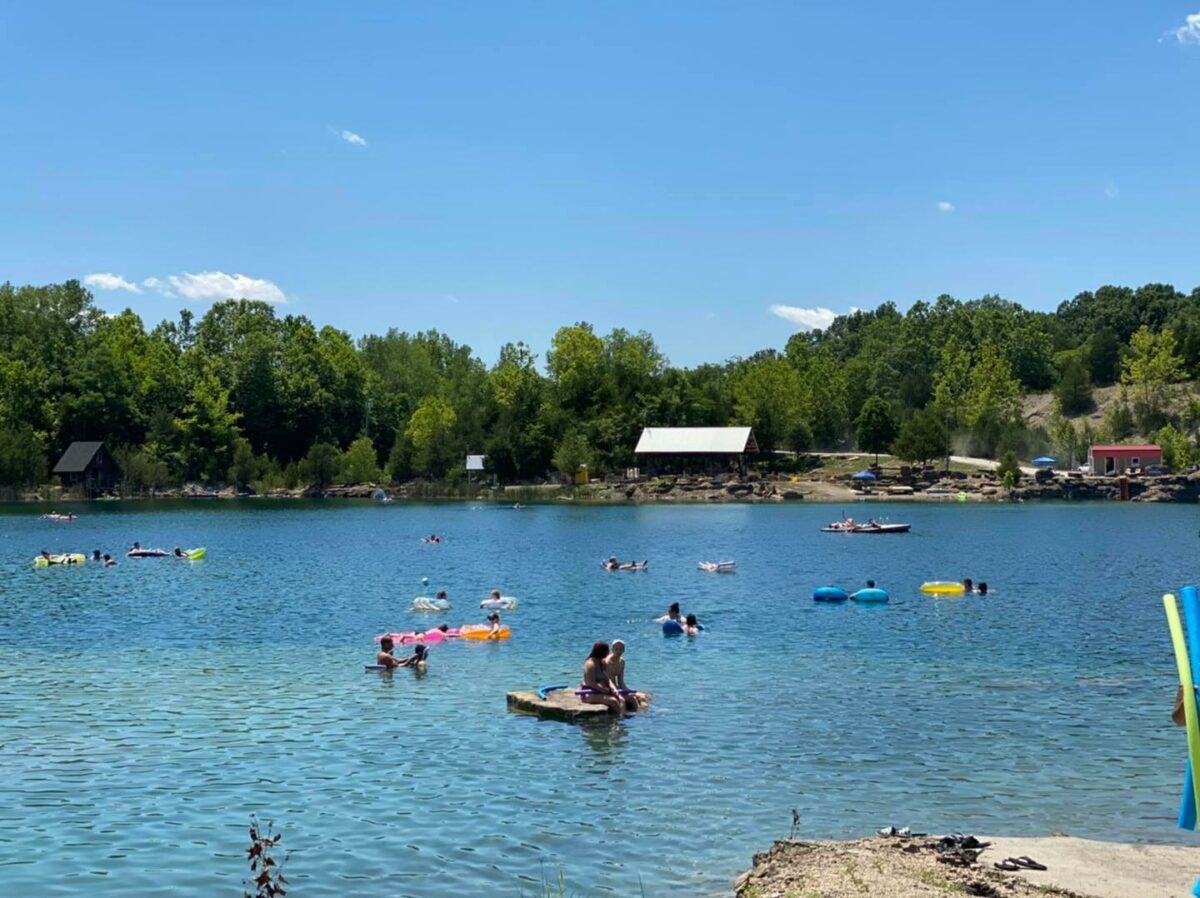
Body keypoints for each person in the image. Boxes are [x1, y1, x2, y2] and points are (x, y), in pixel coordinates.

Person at [580, 641, 623, 714]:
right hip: (589, 693)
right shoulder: (590, 664)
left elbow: (607, 679)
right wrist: (604, 690)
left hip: (601, 691)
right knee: (613, 701)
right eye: (607, 651)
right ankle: (618, 718)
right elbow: (590, 683)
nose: (608, 653)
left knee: (621, 699)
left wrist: (613, 688)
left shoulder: (602, 663)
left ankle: (622, 718)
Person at [606, 639, 640, 711]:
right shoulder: (607, 662)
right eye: (616, 649)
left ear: (623, 650)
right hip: (606, 688)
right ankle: (621, 716)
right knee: (622, 700)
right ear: (612, 649)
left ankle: (640, 715)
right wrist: (615, 690)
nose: (618, 651)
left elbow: (621, 681)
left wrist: (627, 690)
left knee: (633, 698)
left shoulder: (622, 662)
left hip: (616, 687)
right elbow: (608, 681)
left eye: (621, 649)